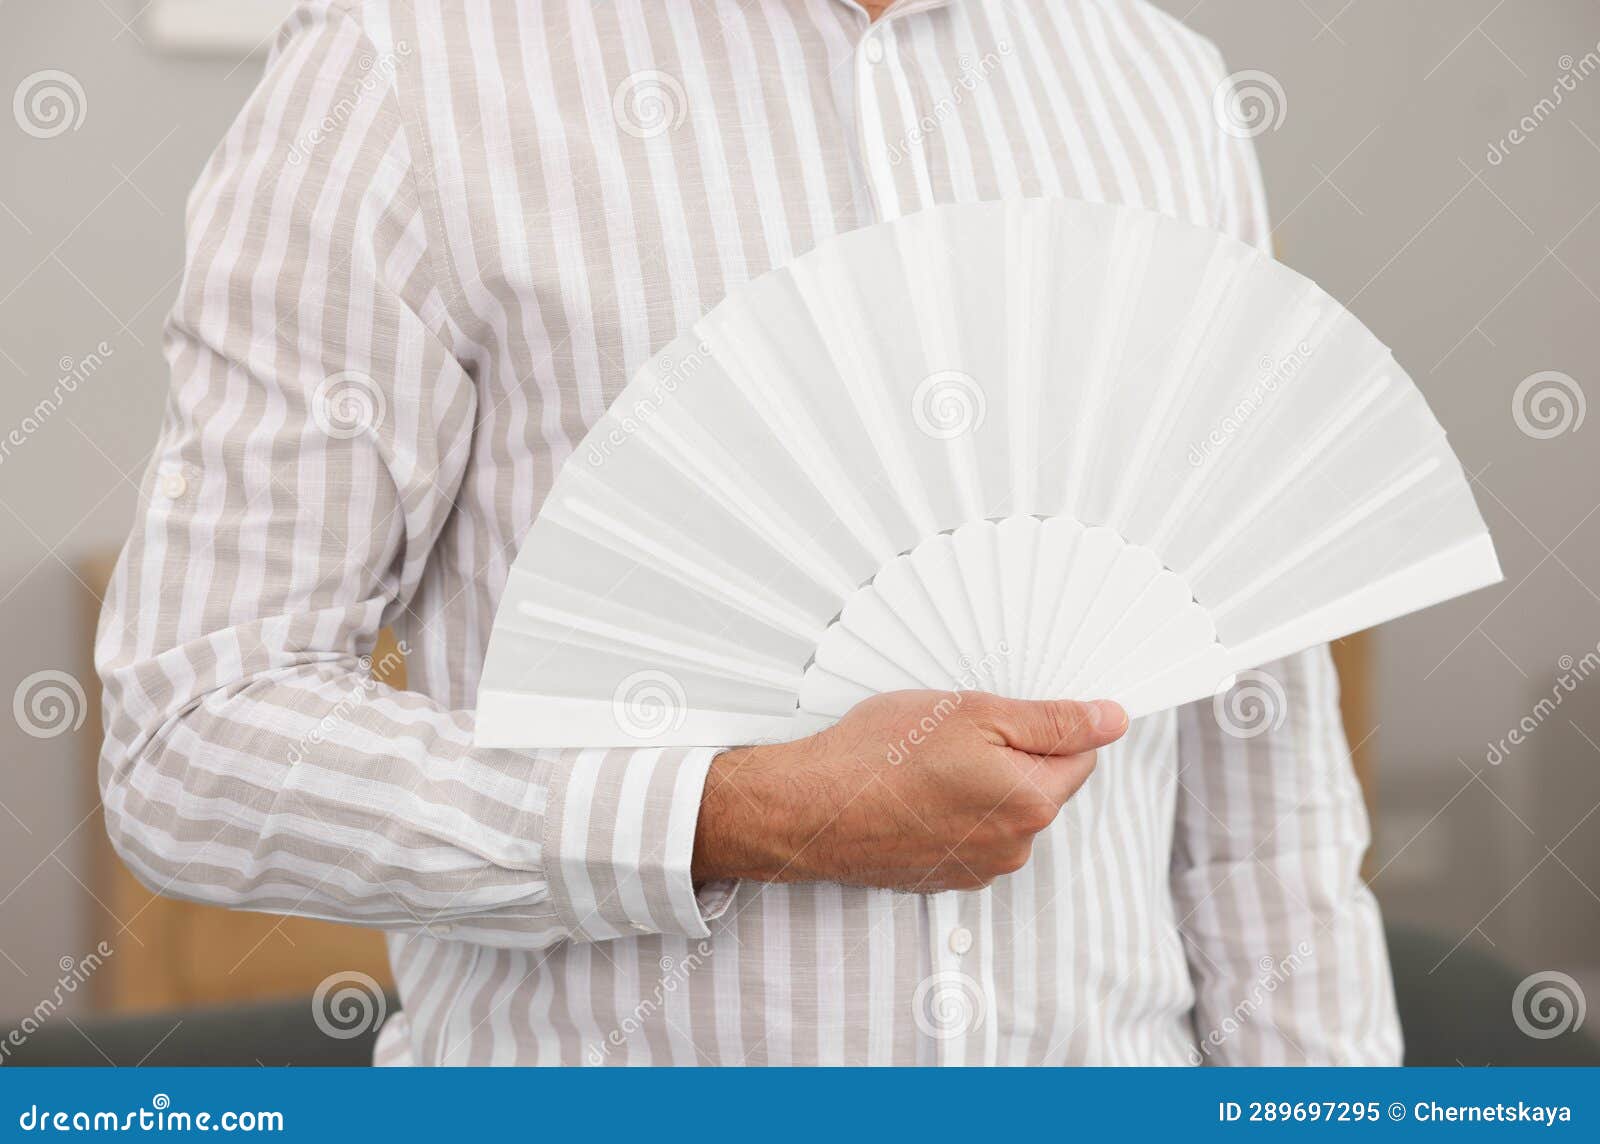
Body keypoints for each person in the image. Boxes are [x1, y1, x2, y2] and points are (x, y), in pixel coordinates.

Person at [95, 0, 1400, 1065]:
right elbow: (193, 732)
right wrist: (733, 812)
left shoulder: (1163, 89)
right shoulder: (404, 74)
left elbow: (1262, 788)